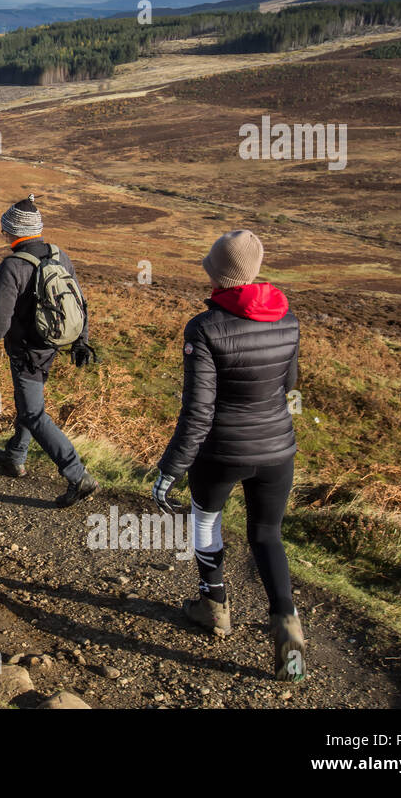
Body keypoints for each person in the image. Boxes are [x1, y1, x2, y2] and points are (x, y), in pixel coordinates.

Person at [152, 228, 305, 681]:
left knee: (205, 521)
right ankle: (287, 628)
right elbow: (290, 383)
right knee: (267, 535)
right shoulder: (287, 317)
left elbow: (198, 410)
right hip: (277, 447)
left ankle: (213, 606)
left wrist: (170, 469)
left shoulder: (204, 328)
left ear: (218, 273)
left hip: (219, 451)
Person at [0, 195, 98, 507]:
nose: (4, 235)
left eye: (4, 230)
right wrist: (82, 341)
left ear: (12, 231)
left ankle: (77, 475)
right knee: (29, 402)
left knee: (33, 412)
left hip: (26, 350)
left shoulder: (12, 266)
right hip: (50, 345)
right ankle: (15, 454)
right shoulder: (59, 255)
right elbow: (79, 303)